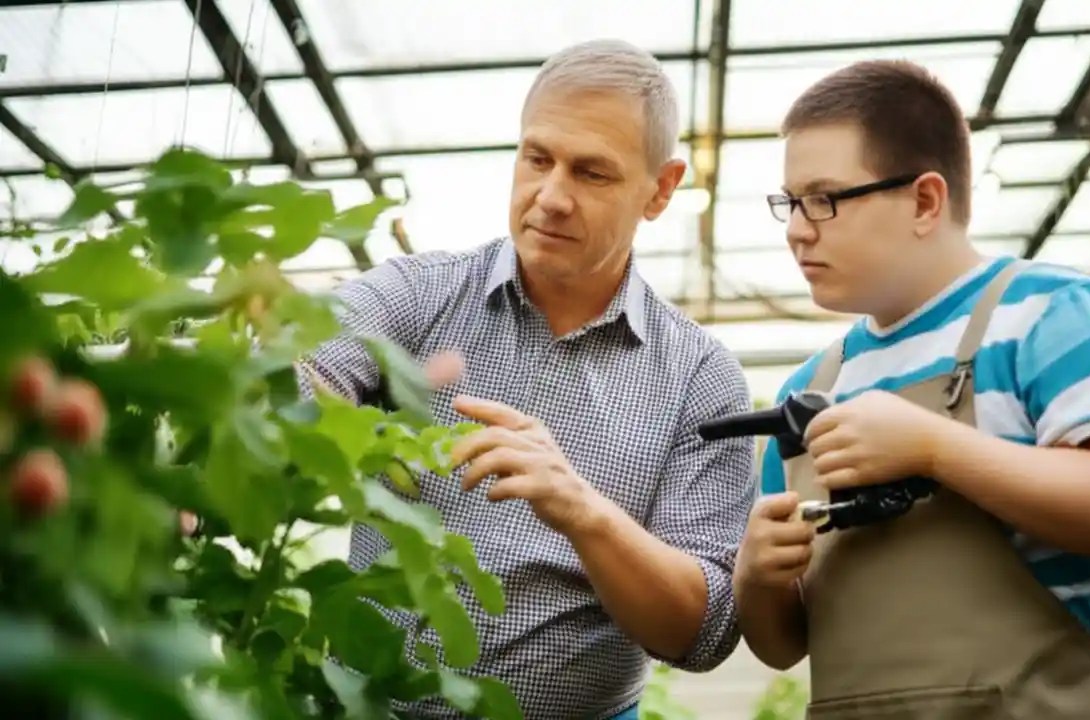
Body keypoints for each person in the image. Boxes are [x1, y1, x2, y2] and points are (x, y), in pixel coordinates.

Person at [295, 39, 755, 720]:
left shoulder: (700, 378)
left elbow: (705, 628)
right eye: (537, 158)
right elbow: (301, 368)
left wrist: (580, 510)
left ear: (660, 189)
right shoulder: (419, 295)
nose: (552, 196)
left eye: (592, 173)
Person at [731, 59, 1090, 719]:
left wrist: (934, 448)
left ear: (925, 200)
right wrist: (757, 578)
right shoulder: (810, 391)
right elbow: (784, 645)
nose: (798, 228)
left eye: (825, 198)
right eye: (790, 202)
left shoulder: (1049, 313)